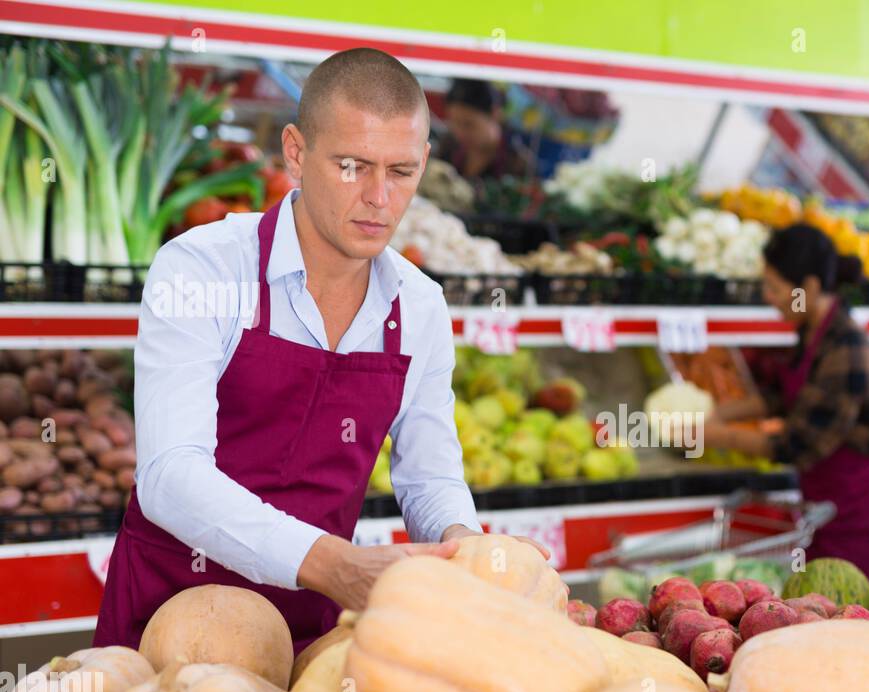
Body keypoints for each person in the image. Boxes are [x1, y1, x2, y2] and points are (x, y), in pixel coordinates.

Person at [94, 48, 544, 654]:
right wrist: (336, 564)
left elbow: (428, 476)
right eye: (353, 166)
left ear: (425, 163)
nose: (380, 198)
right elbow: (170, 476)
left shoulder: (420, 306)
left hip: (313, 638)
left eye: (402, 171)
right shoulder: (204, 267)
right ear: (297, 152)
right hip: (169, 626)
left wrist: (468, 550)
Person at [703, 224, 869, 591]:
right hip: (821, 512)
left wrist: (714, 435)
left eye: (775, 288)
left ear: (808, 287)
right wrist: (719, 411)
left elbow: (798, 443)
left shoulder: (848, 348)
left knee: (847, 620)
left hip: (856, 520)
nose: (768, 297)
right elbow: (780, 395)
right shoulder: (812, 332)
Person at [433, 78, 533, 182]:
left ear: (495, 114)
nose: (460, 133)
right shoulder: (448, 146)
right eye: (454, 122)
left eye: (469, 125)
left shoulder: (518, 164)